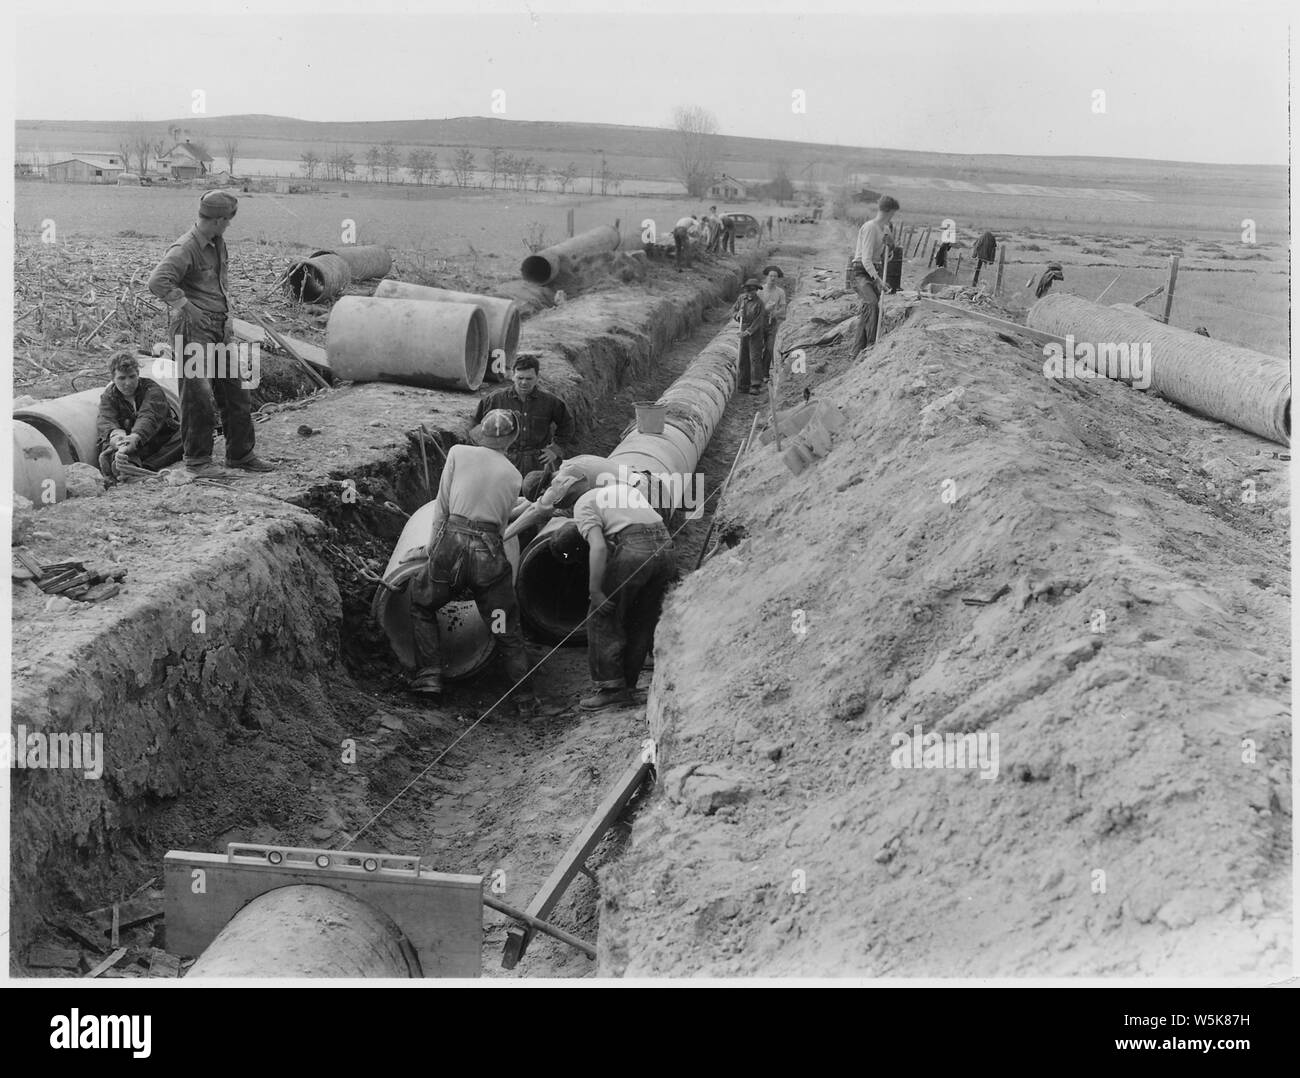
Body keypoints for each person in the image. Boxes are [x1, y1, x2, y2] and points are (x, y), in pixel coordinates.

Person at [400, 409, 537, 711]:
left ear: (482, 433)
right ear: (511, 440)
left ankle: (430, 677)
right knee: (505, 626)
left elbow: (443, 508)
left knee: (423, 604)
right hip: (487, 551)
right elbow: (500, 526)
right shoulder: (513, 475)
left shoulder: (458, 453)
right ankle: (525, 699)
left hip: (451, 544)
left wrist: (430, 550)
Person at [147, 189, 273, 476]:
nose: (228, 224)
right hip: (193, 331)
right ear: (217, 220)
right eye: (227, 220)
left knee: (236, 392)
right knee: (197, 397)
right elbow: (157, 282)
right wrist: (187, 308)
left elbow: (219, 286)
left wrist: (226, 320)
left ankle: (241, 455)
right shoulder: (185, 248)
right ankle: (198, 462)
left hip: (217, 328)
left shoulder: (217, 243)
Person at [550, 481, 677, 711]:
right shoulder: (618, 490)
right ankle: (627, 686)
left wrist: (595, 591)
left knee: (603, 615)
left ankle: (610, 689)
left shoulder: (582, 506)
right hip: (666, 547)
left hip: (635, 550)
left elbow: (598, 548)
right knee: (641, 619)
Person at [474, 355, 576, 501]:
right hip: (505, 460)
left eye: (529, 379)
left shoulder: (549, 401)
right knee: (502, 500)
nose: (524, 383)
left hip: (537, 463)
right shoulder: (496, 399)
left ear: (537, 377)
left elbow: (567, 424)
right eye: (520, 377)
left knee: (535, 503)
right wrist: (488, 453)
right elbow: (476, 425)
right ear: (512, 375)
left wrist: (555, 449)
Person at [503, 454, 647, 543]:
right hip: (642, 482)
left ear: (544, 490)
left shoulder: (562, 482)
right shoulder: (571, 464)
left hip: (636, 503)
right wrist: (506, 512)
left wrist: (503, 537)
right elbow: (533, 503)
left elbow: (535, 511)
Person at [95, 352, 182, 481]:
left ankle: (143, 467)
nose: (128, 383)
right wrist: (116, 437)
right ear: (113, 378)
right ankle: (127, 464)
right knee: (107, 445)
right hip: (127, 444)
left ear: (138, 374)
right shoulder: (109, 396)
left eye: (132, 377)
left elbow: (149, 416)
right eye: (122, 378)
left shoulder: (152, 389)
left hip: (155, 438)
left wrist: (135, 437)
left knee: (187, 434)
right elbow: (106, 419)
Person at [849, 195, 899, 353]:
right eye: (893, 213)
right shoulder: (870, 227)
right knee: (872, 304)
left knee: (867, 312)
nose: (893, 216)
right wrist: (877, 280)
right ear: (889, 211)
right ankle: (871, 346)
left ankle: (856, 351)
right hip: (861, 272)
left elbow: (888, 256)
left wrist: (891, 245)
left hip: (874, 269)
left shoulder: (885, 229)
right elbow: (865, 259)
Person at [733, 278, 768, 395]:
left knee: (754, 358)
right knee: (743, 357)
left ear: (756, 291)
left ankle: (755, 384)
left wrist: (748, 332)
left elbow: (758, 322)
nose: (750, 293)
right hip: (743, 330)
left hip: (755, 333)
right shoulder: (741, 299)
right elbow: (734, 311)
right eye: (748, 290)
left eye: (753, 291)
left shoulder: (759, 304)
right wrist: (738, 315)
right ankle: (743, 384)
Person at [759, 265, 788, 390]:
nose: (772, 278)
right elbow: (754, 306)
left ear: (778, 278)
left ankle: (765, 373)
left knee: (770, 348)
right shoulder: (760, 290)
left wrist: (775, 312)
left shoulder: (780, 292)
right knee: (757, 348)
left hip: (772, 322)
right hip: (759, 322)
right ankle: (756, 373)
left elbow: (783, 308)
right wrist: (765, 310)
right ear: (767, 277)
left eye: (775, 276)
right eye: (770, 276)